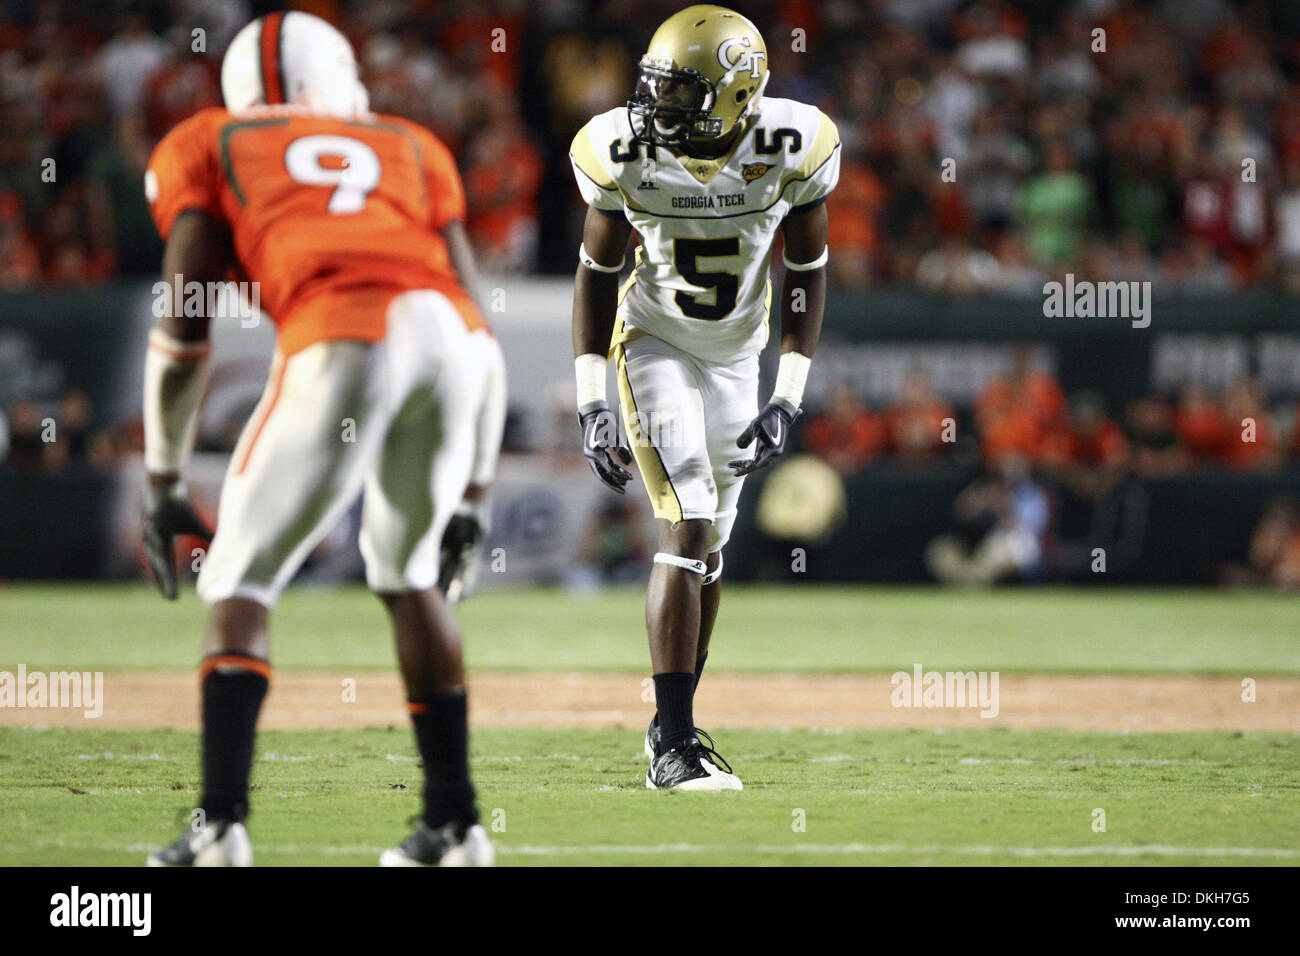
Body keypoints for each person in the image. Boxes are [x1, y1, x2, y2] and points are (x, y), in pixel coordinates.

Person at [140, 12, 504, 867]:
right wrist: (476, 493)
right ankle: (456, 825)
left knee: (237, 574)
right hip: (452, 342)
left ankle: (220, 826)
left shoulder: (209, 140)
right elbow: (479, 319)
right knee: (409, 573)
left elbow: (184, 322)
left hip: (345, 333)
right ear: (330, 79)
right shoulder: (409, 143)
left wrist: (161, 477)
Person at [569, 5, 838, 791]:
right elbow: (597, 274)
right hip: (654, 343)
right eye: (654, 88)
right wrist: (593, 402)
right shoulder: (621, 151)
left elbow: (809, 271)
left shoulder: (792, 144)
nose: (656, 108)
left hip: (737, 357)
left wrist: (788, 393)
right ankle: (674, 749)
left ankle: (672, 723)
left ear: (732, 94)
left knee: (710, 547)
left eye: (679, 93)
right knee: (683, 521)